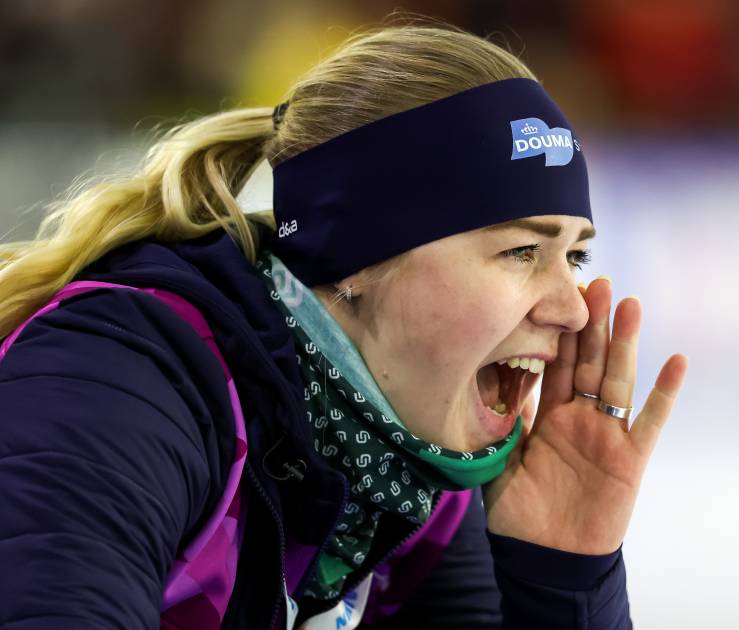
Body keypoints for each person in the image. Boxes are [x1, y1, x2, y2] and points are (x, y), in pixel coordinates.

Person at [0, 23, 687, 630]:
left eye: (575, 255)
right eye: (520, 252)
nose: (572, 308)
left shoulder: (407, 471)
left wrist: (562, 574)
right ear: (358, 258)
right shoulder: (118, 384)